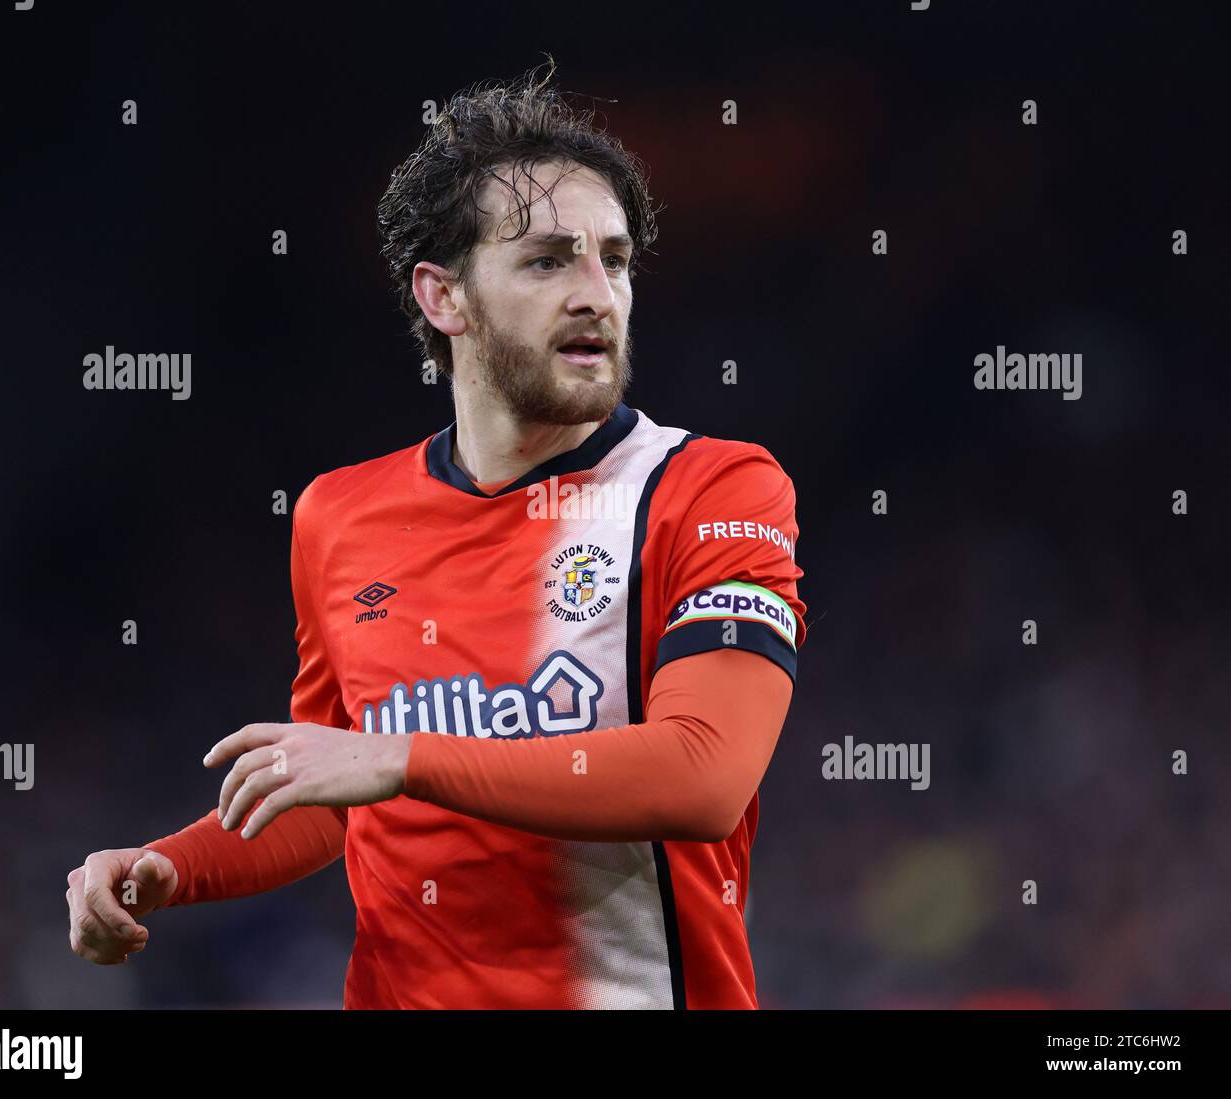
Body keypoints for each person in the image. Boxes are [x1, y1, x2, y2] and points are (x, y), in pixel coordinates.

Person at [66, 58, 807, 1009]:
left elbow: (705, 771)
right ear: (443, 297)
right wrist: (165, 867)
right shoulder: (339, 514)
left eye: (613, 259)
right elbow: (331, 795)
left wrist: (401, 754)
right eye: (548, 260)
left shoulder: (708, 485)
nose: (597, 294)